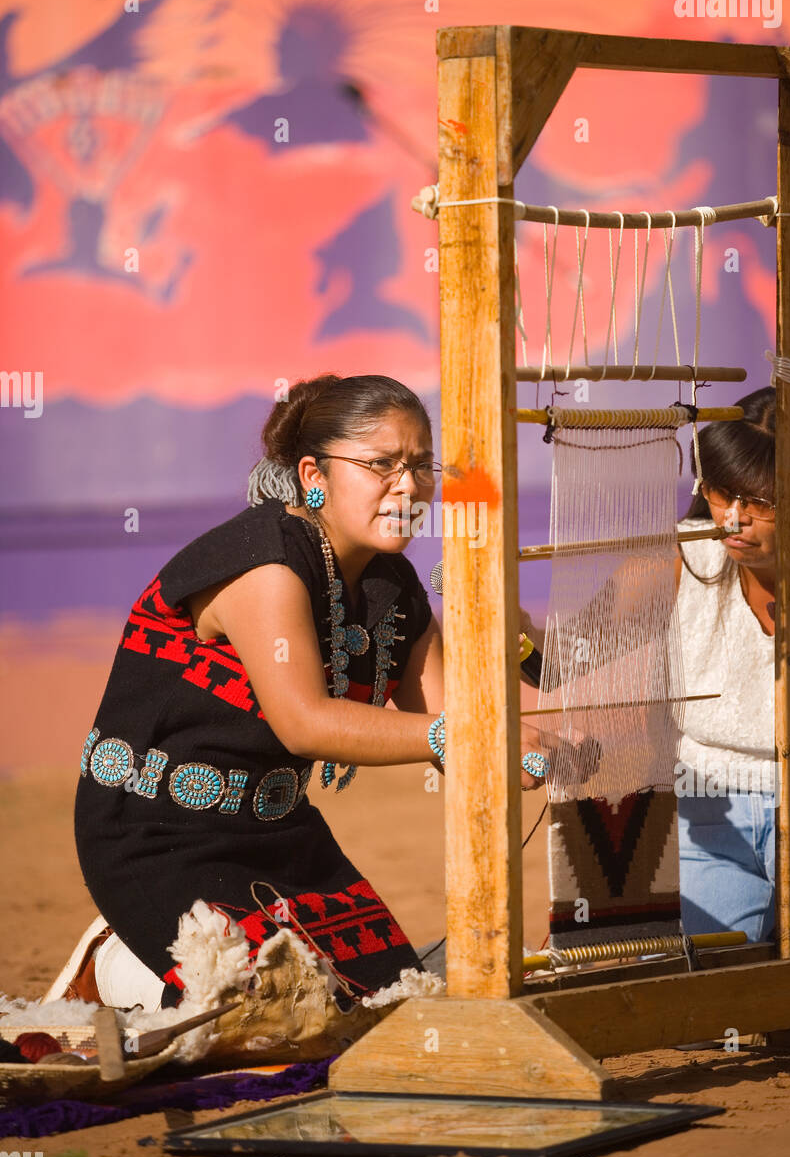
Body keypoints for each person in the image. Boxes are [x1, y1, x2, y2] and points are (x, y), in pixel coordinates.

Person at [57, 372, 546, 1013]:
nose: (409, 485)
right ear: (314, 474)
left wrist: (529, 738)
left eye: (422, 465)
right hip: (156, 834)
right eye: (382, 464)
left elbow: (452, 719)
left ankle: (160, 963)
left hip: (279, 833)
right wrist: (469, 738)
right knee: (276, 1014)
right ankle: (117, 961)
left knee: (381, 1008)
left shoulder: (392, 586)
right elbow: (305, 723)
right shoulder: (265, 562)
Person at [674, 386, 790, 945]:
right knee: (709, 1008)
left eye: (760, 502)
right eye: (721, 492)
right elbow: (560, 664)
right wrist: (517, 636)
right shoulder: (681, 554)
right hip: (710, 807)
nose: (734, 520)